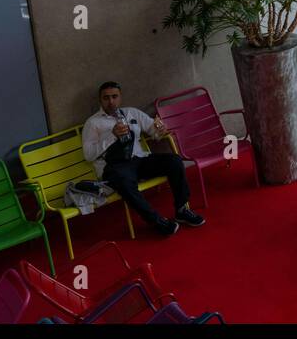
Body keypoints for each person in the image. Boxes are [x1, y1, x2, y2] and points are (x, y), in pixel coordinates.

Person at [82, 81, 205, 235]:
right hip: (115, 167)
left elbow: (155, 131)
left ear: (120, 98)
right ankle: (157, 221)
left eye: (114, 97)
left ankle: (182, 209)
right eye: (106, 98)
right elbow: (88, 155)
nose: (111, 101)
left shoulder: (132, 113)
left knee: (174, 161)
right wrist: (112, 136)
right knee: (124, 183)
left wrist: (160, 129)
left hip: (139, 160)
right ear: (100, 100)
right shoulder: (93, 123)